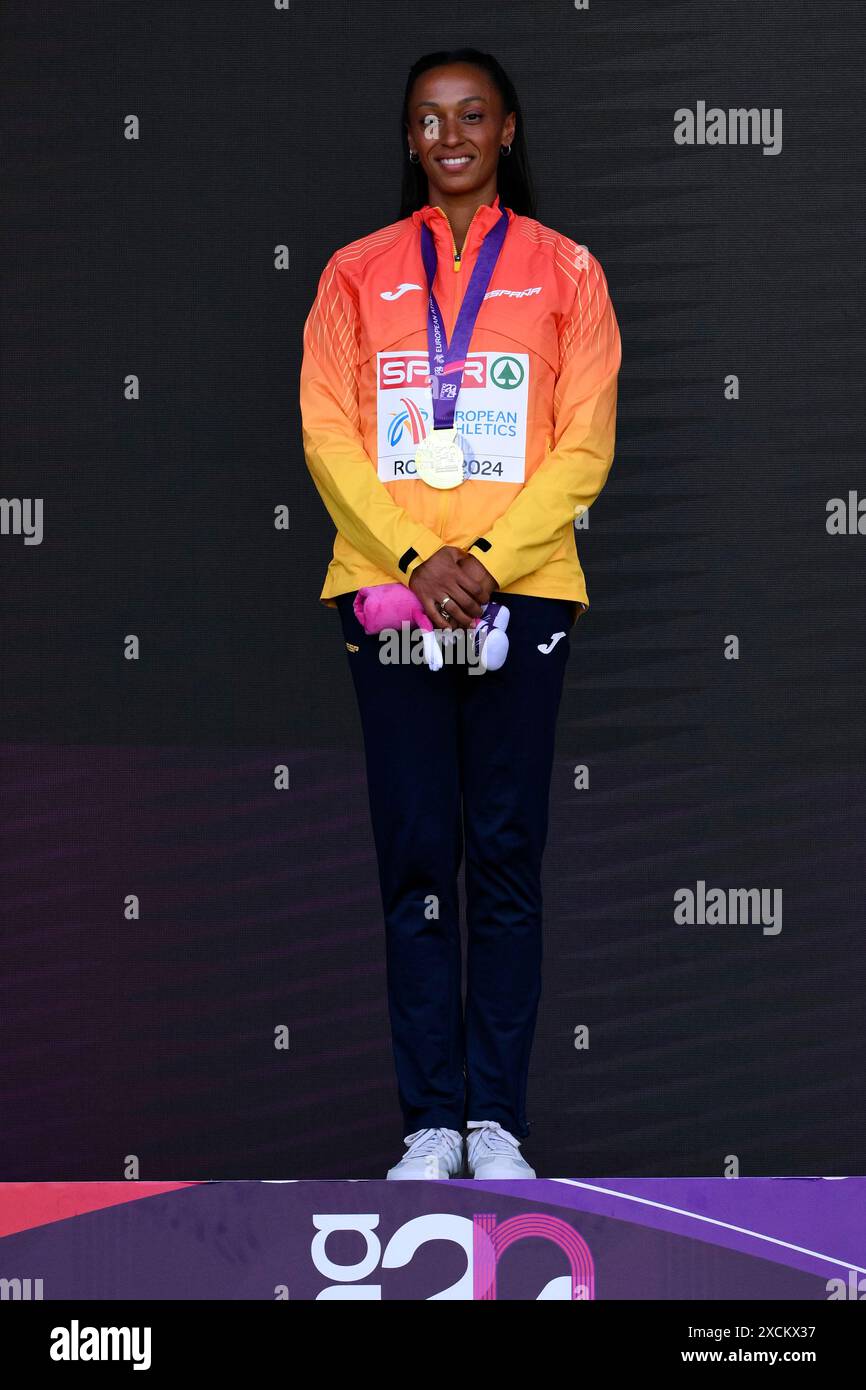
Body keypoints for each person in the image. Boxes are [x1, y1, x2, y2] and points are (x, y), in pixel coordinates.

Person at [299, 47, 622, 1179]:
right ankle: (430, 1122)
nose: (449, 135)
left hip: (520, 592)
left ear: (506, 131)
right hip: (388, 591)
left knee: (503, 852)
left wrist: (481, 558)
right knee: (415, 854)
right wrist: (412, 556)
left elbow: (583, 446)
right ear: (408, 140)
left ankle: (496, 1125)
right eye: (429, 119)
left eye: (471, 116)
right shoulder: (351, 273)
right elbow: (327, 436)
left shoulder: (567, 272)